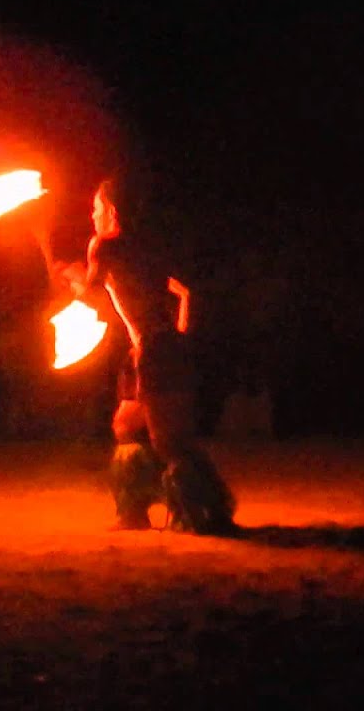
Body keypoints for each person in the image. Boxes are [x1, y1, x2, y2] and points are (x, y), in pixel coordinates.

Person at [59, 174, 237, 535]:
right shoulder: (145, 247)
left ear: (112, 210)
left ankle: (206, 514)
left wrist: (70, 275)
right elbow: (180, 291)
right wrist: (182, 319)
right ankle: (133, 511)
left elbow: (91, 294)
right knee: (126, 426)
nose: (92, 215)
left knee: (169, 442)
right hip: (148, 349)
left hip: (157, 350)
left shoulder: (103, 245)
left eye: (96, 208)